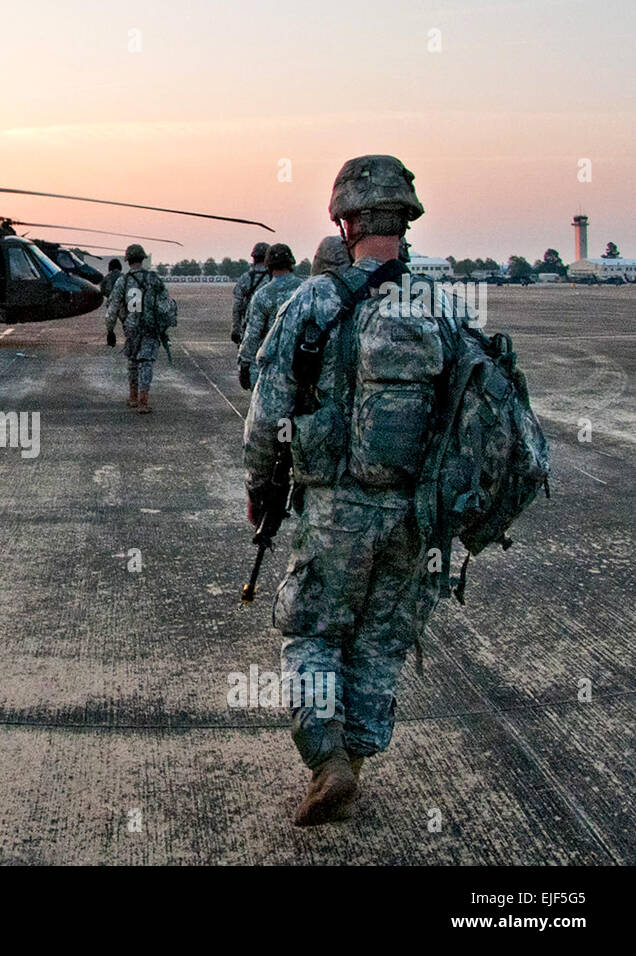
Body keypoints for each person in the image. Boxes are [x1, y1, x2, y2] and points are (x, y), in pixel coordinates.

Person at [243, 155, 460, 826]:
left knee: (313, 630)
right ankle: (354, 762)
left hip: (335, 510)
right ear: (406, 221)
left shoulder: (317, 301)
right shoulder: (440, 310)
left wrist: (261, 486)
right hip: (415, 518)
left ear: (345, 220)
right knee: (379, 641)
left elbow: (266, 414)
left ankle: (326, 758)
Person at [105, 243, 168, 414]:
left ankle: (133, 397)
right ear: (142, 258)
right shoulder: (154, 278)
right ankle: (143, 400)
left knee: (132, 362)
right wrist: (163, 326)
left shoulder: (122, 281)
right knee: (146, 363)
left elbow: (112, 308)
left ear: (128, 261)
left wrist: (110, 330)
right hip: (150, 327)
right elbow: (165, 305)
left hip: (131, 328)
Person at [237, 243, 301, 390]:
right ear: (291, 263)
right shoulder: (306, 290)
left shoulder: (263, 295)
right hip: (301, 366)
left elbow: (252, 334)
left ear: (269, 266)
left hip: (271, 369)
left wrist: (245, 364)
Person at [231, 242, 270, 345]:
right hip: (270, 333)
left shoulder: (245, 278)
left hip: (250, 331)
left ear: (254, 258)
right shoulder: (275, 279)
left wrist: (236, 329)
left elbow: (237, 306)